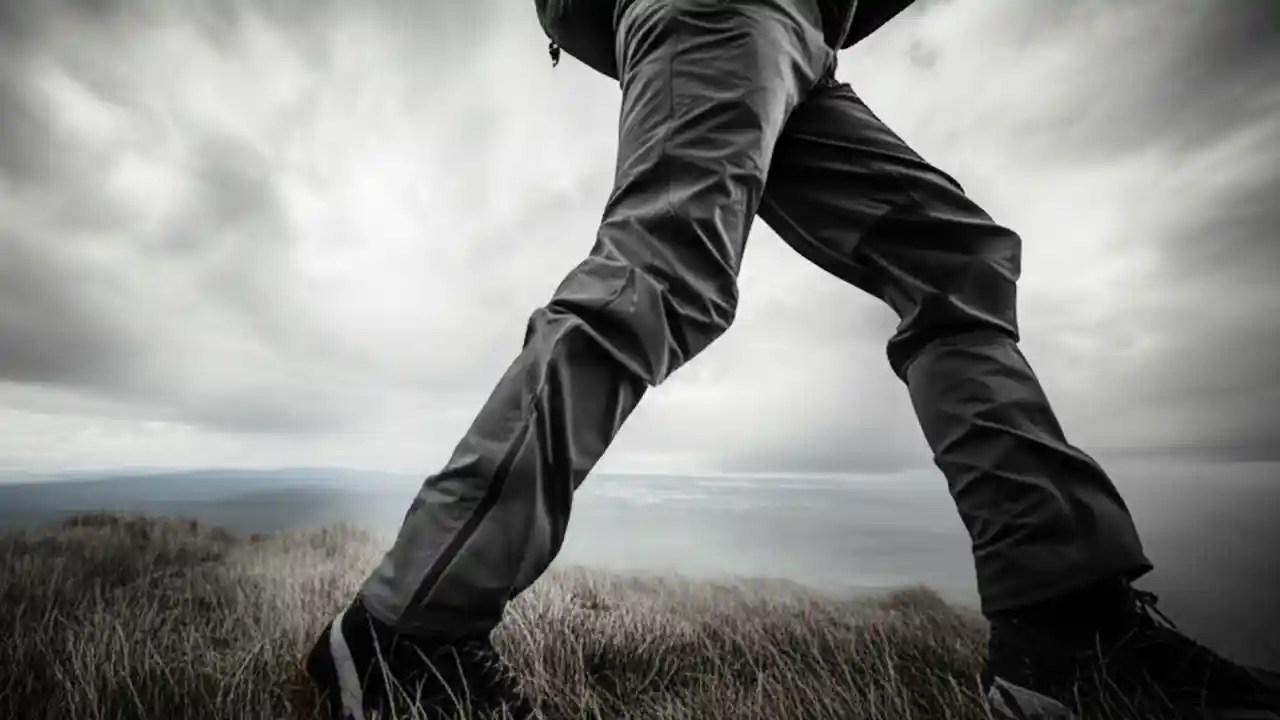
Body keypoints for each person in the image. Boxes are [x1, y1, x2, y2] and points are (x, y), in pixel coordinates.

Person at [305, 0, 1280, 718]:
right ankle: (407, 631)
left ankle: (1064, 634)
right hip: (723, 10)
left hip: (800, 35)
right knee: (666, 264)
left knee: (954, 258)